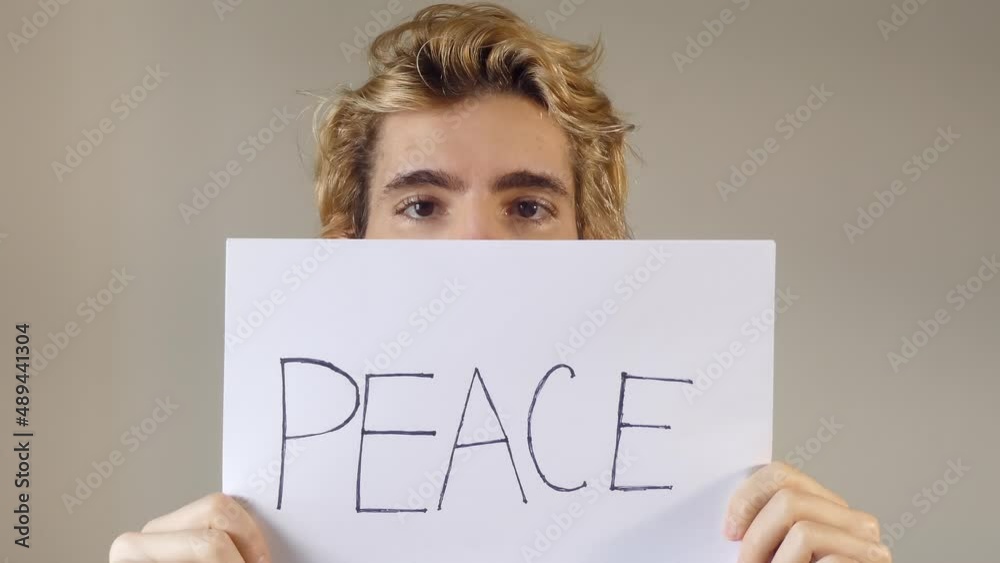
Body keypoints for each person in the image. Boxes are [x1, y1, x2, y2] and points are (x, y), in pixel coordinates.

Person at [110, 3, 890, 562]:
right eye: (421, 203)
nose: (478, 244)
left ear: (598, 248)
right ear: (342, 254)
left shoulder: (729, 535)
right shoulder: (244, 549)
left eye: (527, 204)